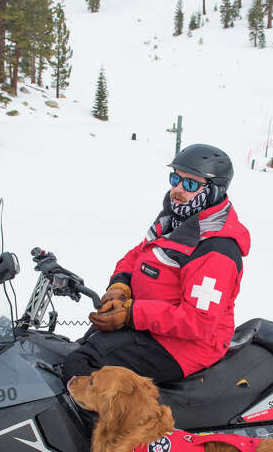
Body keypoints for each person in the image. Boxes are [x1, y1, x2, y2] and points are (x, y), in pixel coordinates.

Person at [63, 144, 251, 383]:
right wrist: (120, 287)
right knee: (76, 349)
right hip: (151, 326)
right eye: (175, 178)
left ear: (214, 190)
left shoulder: (216, 248)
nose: (177, 189)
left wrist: (132, 313)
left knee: (81, 368)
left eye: (190, 184)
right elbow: (137, 255)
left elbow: (199, 321)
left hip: (187, 346)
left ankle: (126, 420)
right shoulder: (175, 219)